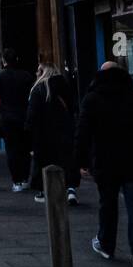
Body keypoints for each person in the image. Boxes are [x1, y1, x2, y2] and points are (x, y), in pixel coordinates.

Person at [76, 61, 133, 267]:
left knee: (108, 204)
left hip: (106, 161)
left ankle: (106, 244)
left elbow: (82, 133)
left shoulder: (92, 99)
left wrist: (80, 161)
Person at [26, 62, 79, 205]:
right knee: (66, 160)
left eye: (39, 70)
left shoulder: (38, 89)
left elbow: (32, 115)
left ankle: (44, 191)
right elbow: (73, 108)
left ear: (44, 71)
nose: (36, 73)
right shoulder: (64, 86)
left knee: (44, 161)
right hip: (64, 130)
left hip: (43, 133)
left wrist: (29, 133)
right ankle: (70, 189)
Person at [0, 49, 34, 192]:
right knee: (25, 148)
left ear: (3, 60)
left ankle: (16, 180)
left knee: (12, 149)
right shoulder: (26, 76)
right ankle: (24, 178)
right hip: (24, 116)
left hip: (7, 117)